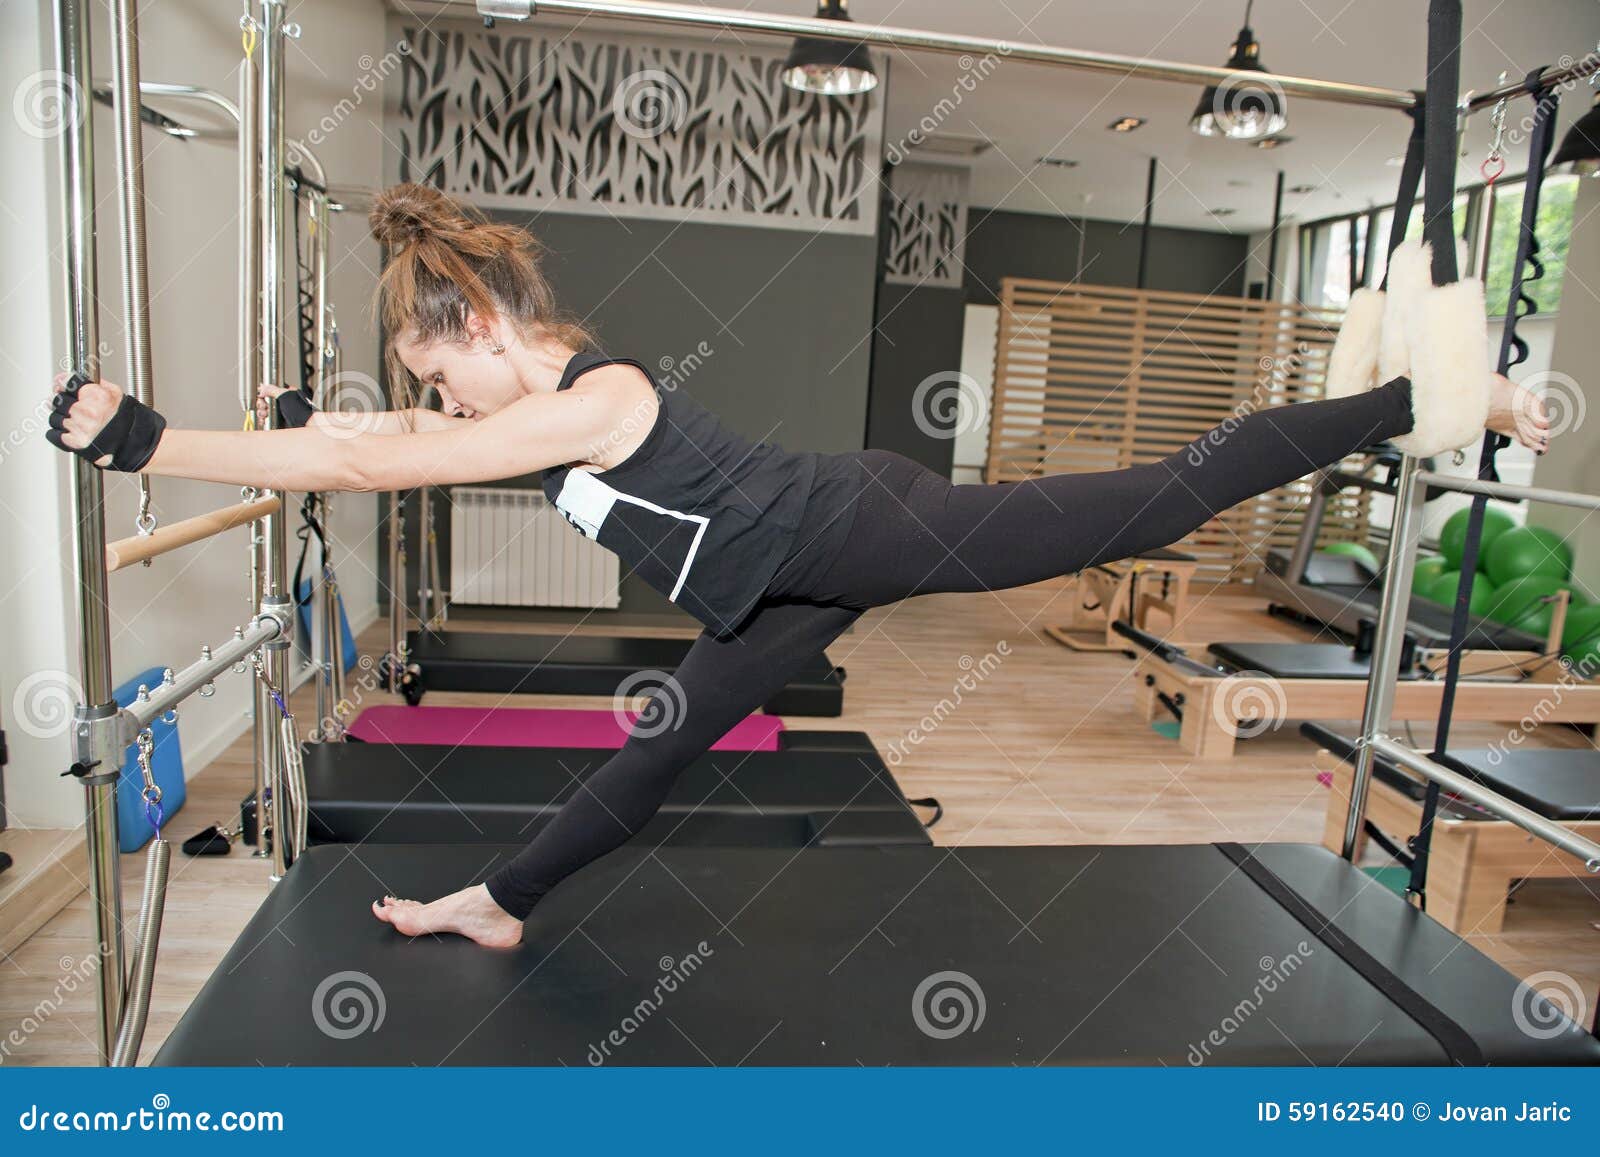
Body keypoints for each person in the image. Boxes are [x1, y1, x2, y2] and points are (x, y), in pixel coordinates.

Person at [47, 183, 1550, 949]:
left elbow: (379, 461)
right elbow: (378, 436)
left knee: (1147, 503)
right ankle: (499, 899)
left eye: (441, 373)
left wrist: (153, 440)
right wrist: (301, 425)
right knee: (655, 746)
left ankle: (1417, 400)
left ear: (488, 333)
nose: (436, 402)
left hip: (860, 525)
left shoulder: (590, 401)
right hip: (777, 590)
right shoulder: (526, 398)